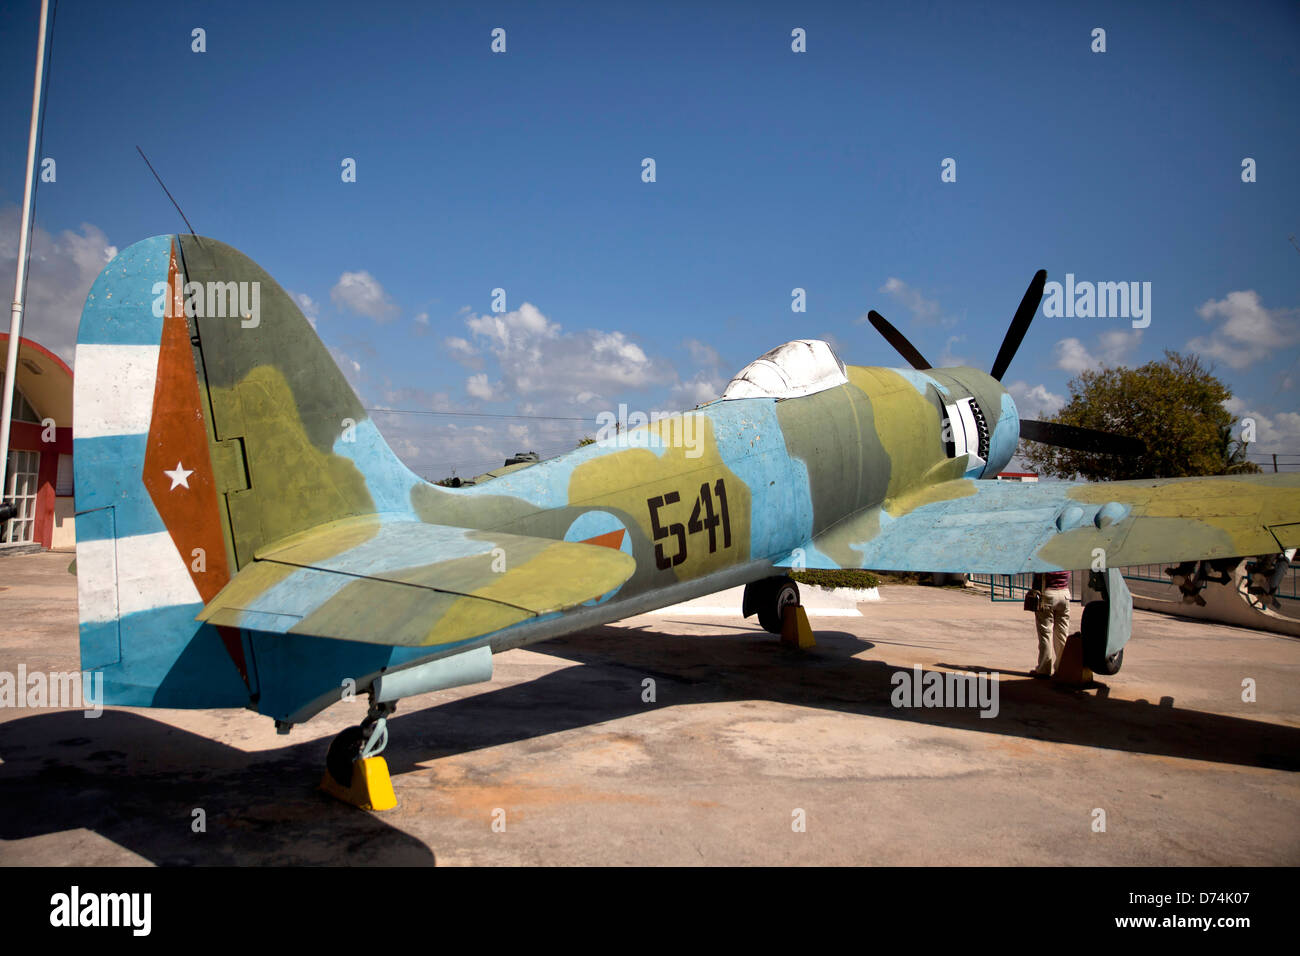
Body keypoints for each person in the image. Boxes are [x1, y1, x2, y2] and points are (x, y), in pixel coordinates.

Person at [1029, 570, 1071, 677]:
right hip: (1065, 594)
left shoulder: (1046, 561)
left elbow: (1038, 574)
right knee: (1062, 635)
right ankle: (1062, 668)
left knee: (1045, 633)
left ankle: (1044, 669)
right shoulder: (1066, 561)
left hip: (1048, 594)